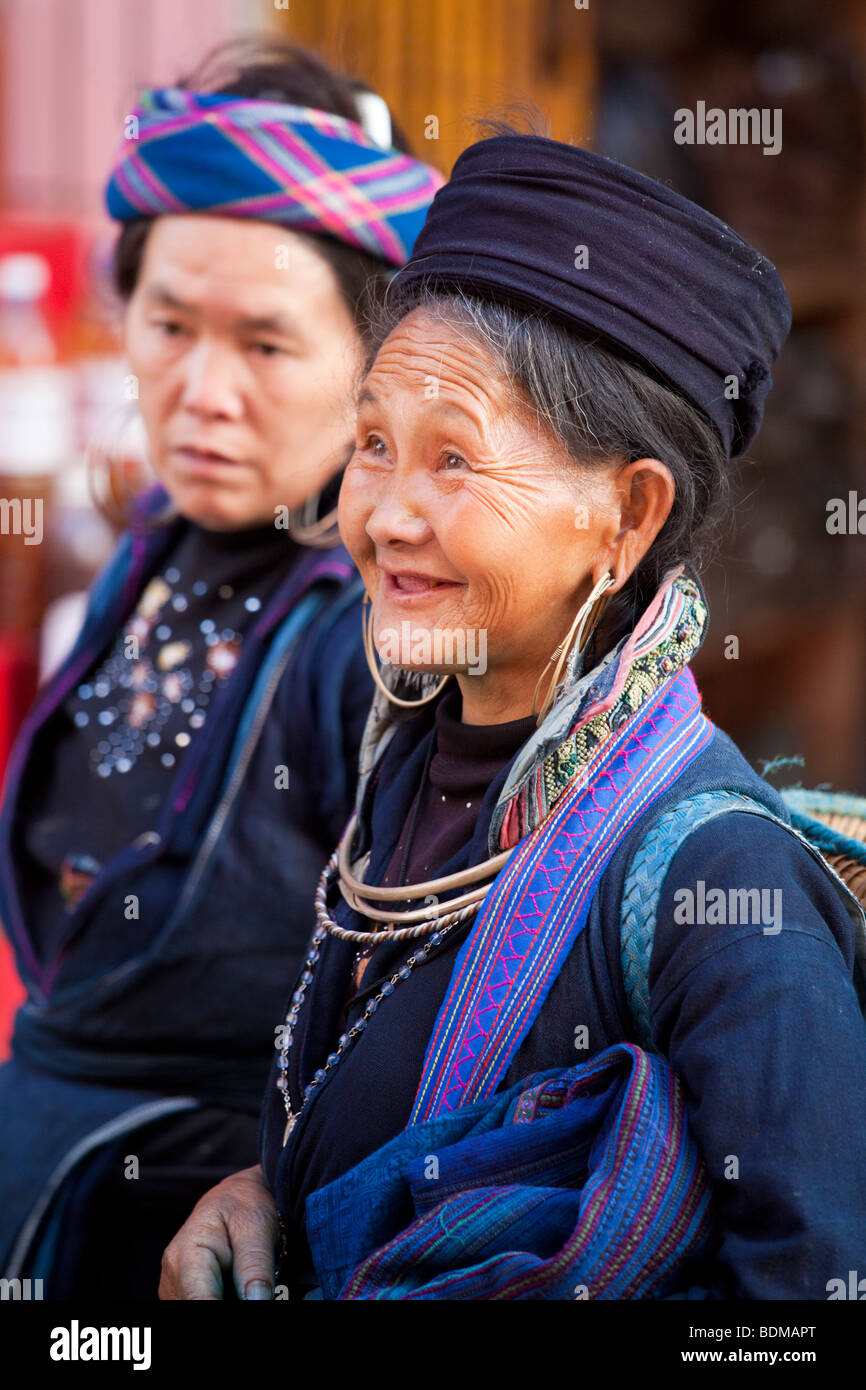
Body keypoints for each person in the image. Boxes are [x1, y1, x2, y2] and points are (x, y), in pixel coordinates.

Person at [160, 128, 866, 1301]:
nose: (383, 514)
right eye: (374, 443)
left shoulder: (716, 883)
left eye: (454, 461)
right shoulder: (401, 777)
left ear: (626, 516)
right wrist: (264, 1198)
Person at [0, 39, 442, 1298]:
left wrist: (271, 1175)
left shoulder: (376, 641)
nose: (200, 391)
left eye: (264, 345)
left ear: (370, 360)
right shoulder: (141, 559)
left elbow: (432, 1014)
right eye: (169, 324)